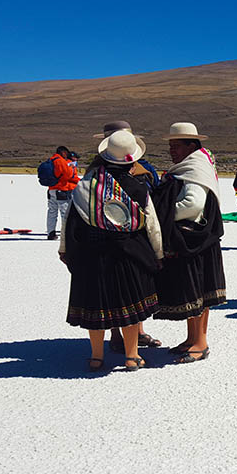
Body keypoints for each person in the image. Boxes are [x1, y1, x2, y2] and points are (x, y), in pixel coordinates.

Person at [60, 130, 163, 371]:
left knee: (95, 307)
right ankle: (131, 356)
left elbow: (70, 222)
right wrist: (158, 254)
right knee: (130, 307)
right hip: (128, 256)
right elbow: (152, 226)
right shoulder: (138, 189)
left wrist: (65, 249)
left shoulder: (85, 187)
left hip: (91, 256)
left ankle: (97, 357)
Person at [151, 122, 227, 364]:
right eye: (170, 146)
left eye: (176, 146)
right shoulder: (192, 166)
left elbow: (192, 204)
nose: (172, 151)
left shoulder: (194, 168)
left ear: (191, 145)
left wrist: (160, 214)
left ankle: (200, 342)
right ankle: (192, 337)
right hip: (195, 240)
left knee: (199, 292)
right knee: (196, 291)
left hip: (195, 241)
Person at [91, 121, 163, 352]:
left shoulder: (92, 175)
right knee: (133, 288)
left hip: (99, 244)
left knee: (112, 290)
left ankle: (119, 336)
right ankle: (131, 337)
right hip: (136, 241)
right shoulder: (142, 170)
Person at [45, 146, 79, 240]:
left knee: (52, 211)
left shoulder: (51, 160)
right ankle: (66, 234)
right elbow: (68, 175)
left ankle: (51, 232)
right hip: (61, 190)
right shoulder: (60, 161)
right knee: (65, 213)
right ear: (63, 152)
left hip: (51, 189)